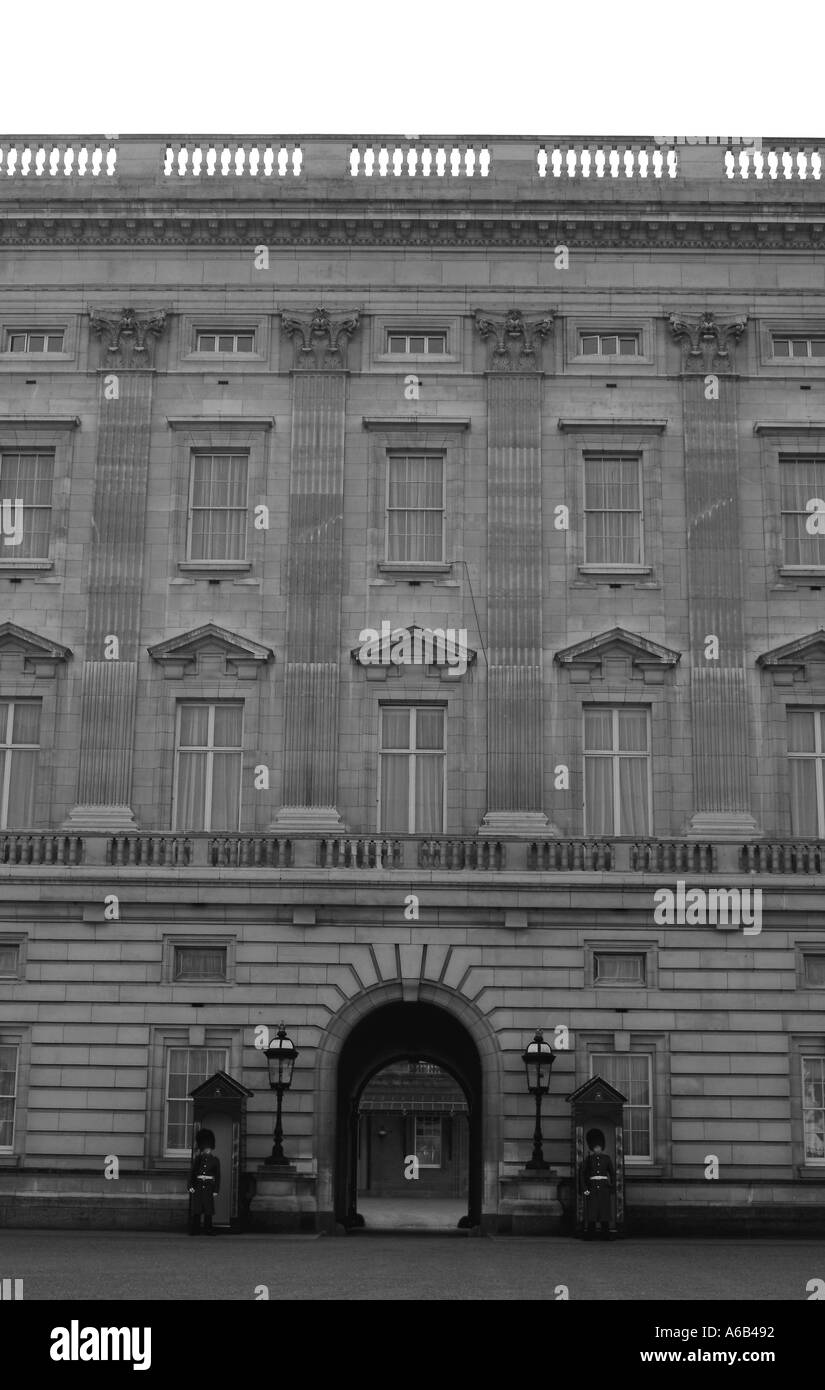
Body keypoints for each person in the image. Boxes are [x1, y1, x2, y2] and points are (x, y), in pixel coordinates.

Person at [580, 1127, 614, 1240]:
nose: (597, 1149)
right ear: (592, 1148)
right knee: (592, 1213)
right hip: (592, 1188)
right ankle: (590, 1234)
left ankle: (606, 1234)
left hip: (604, 1188)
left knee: (604, 1212)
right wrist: (585, 1188)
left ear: (601, 1147)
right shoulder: (588, 1159)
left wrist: (612, 1187)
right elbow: (582, 1174)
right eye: (595, 1147)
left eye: (599, 1147)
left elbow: (612, 1174)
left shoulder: (607, 1158)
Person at [188, 1129, 221, 1236]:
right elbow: (192, 1173)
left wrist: (216, 1189)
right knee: (197, 1209)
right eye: (206, 1148)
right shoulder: (198, 1159)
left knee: (208, 1209)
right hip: (198, 1185)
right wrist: (190, 1186)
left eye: (208, 1148)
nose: (207, 1150)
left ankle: (208, 1229)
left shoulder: (215, 1160)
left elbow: (217, 1176)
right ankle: (195, 1229)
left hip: (208, 1186)